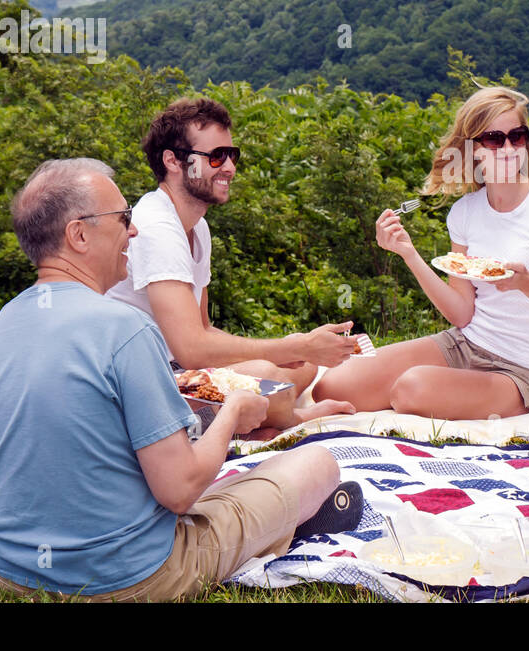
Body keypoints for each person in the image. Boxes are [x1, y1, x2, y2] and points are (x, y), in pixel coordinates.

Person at [0, 159, 360, 601]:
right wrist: (231, 413)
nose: (133, 232)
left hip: (11, 572)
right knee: (317, 464)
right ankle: (287, 529)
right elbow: (178, 491)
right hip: (129, 577)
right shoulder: (126, 329)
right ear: (78, 235)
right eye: (123, 219)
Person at [313, 86, 529, 418]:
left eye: (517, 136)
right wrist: (409, 254)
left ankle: (456, 391)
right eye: (493, 139)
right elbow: (462, 315)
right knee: (331, 387)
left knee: (410, 388)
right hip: (466, 345)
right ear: (472, 149)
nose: (507, 148)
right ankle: (456, 388)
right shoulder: (465, 212)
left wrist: (526, 283)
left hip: (524, 370)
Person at [107, 97, 355, 430]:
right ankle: (293, 418)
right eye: (215, 157)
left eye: (231, 155)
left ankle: (266, 418)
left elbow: (204, 328)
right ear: (173, 161)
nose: (229, 168)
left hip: (179, 367)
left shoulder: (198, 227)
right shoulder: (157, 225)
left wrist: (294, 349)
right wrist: (293, 346)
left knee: (301, 367)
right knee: (272, 378)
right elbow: (192, 348)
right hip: (146, 379)